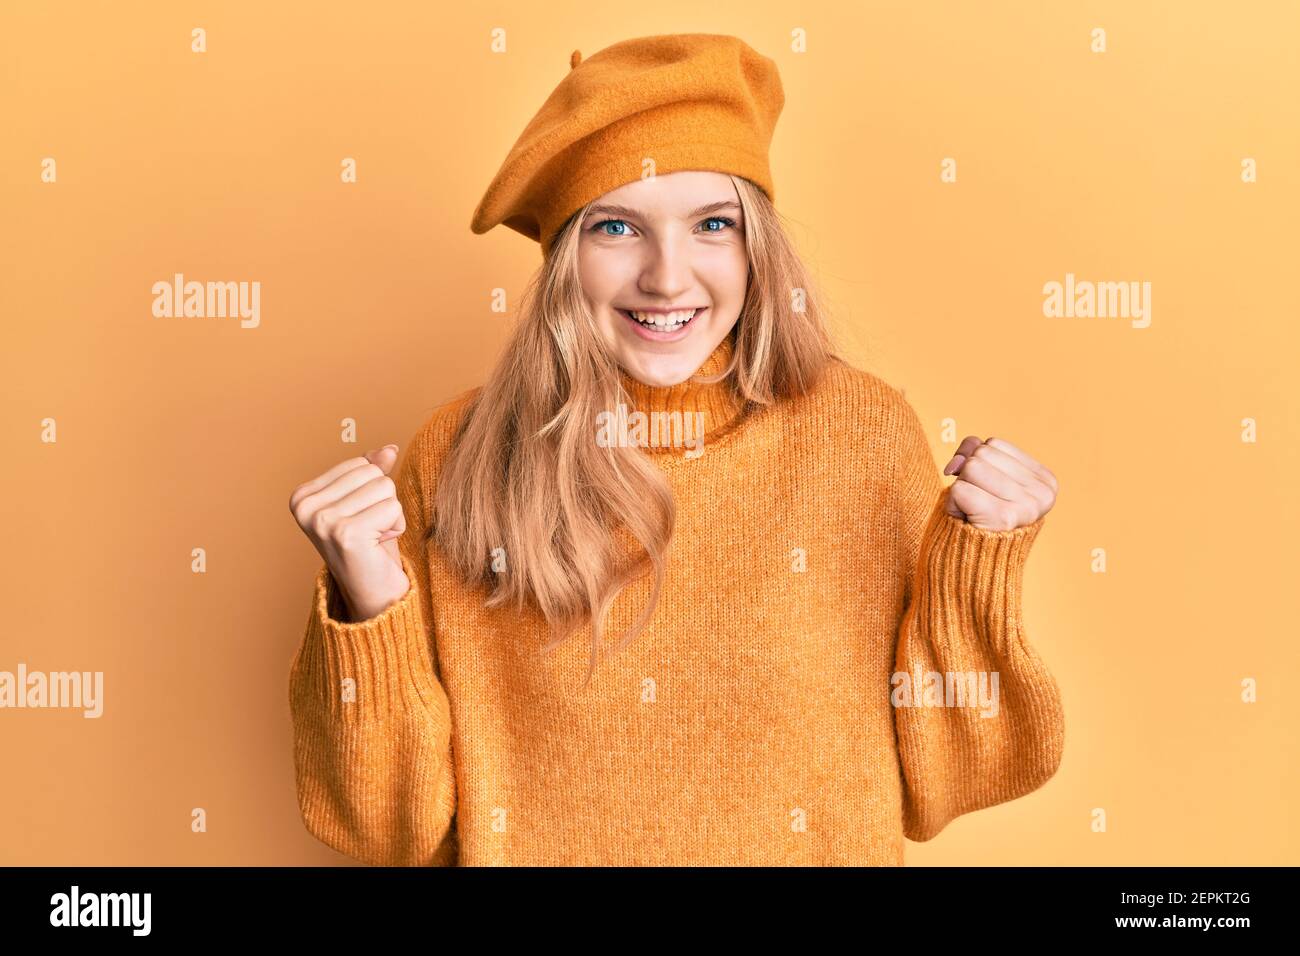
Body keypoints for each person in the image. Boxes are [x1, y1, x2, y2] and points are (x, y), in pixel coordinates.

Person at [287, 33, 1063, 867]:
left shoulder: (864, 435)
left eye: (712, 224)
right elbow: (384, 827)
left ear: (755, 247)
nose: (667, 276)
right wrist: (367, 604)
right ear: (562, 261)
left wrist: (977, 568)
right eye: (617, 226)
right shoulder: (459, 456)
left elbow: (961, 775)